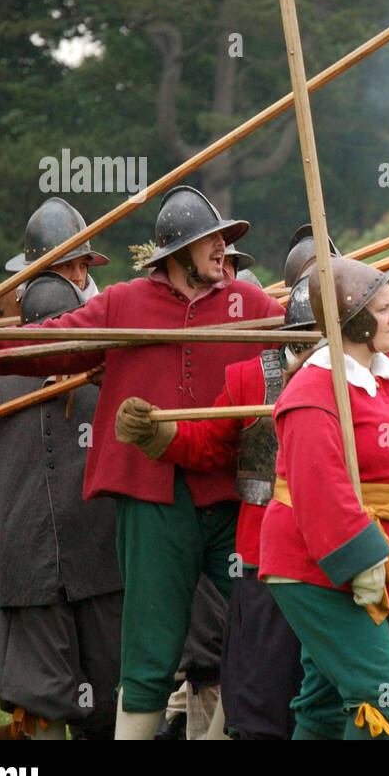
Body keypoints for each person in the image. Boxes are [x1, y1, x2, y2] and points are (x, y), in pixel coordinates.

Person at [0, 185, 281, 740]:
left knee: (257, 623)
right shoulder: (125, 303)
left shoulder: (252, 308)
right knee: (148, 654)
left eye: (225, 239)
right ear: (178, 253)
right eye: (212, 241)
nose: (224, 248)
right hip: (154, 497)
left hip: (229, 495)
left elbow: (304, 342)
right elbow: (49, 342)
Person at [257, 258, 389, 739]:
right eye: (385, 310)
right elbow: (318, 490)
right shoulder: (311, 391)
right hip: (311, 564)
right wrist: (360, 562)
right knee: (381, 692)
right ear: (357, 319)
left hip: (356, 560)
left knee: (324, 705)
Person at [121, 276, 316, 739]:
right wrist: (159, 433)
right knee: (260, 700)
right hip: (265, 562)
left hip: (338, 559)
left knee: (331, 693)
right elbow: (208, 444)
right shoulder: (251, 377)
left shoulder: (366, 378)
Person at [0, 272, 122, 740]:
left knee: (67, 701)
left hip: (59, 569)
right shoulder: (101, 384)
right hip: (74, 570)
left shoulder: (0, 392)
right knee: (94, 699)